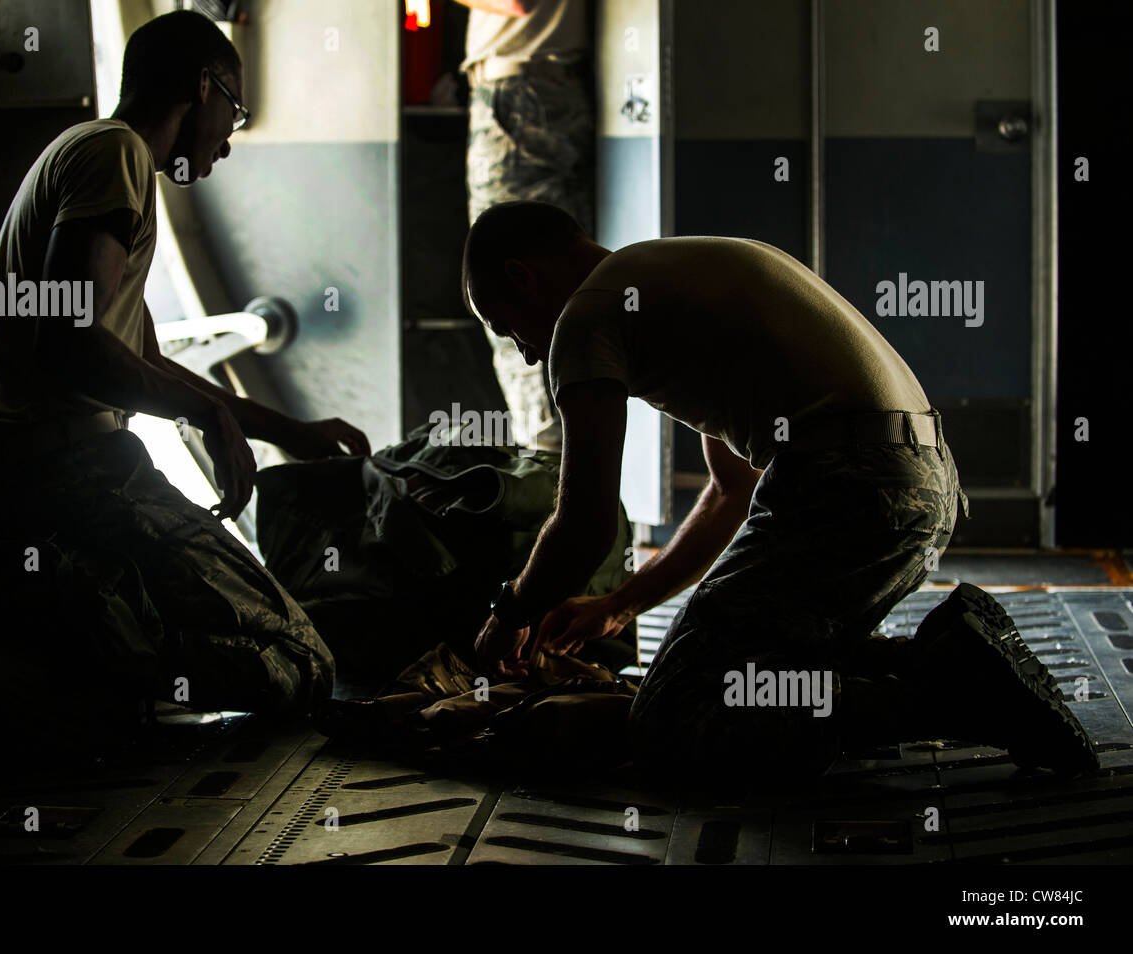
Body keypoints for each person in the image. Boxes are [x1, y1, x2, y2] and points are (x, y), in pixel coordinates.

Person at [464, 200, 1099, 781]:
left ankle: (952, 699)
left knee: (676, 711)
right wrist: (622, 604)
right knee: (767, 654)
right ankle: (939, 656)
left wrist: (508, 612)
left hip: (846, 481)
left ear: (524, 277)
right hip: (920, 480)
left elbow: (585, 526)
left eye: (507, 327)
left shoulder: (587, 316)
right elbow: (730, 495)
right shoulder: (672, 277)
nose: (524, 355)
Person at [0, 10, 369, 718]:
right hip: (64, 475)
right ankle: (65, 659)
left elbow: (142, 356)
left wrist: (283, 430)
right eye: (235, 113)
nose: (229, 144)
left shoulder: (100, 160)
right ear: (204, 88)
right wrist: (204, 412)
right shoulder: (111, 153)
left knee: (285, 647)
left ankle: (74, 637)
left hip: (52, 467)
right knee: (301, 664)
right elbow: (71, 342)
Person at [454, 0, 593, 451]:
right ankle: (567, 461)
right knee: (544, 286)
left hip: (519, 89)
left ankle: (552, 469)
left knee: (512, 291)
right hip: (533, 88)